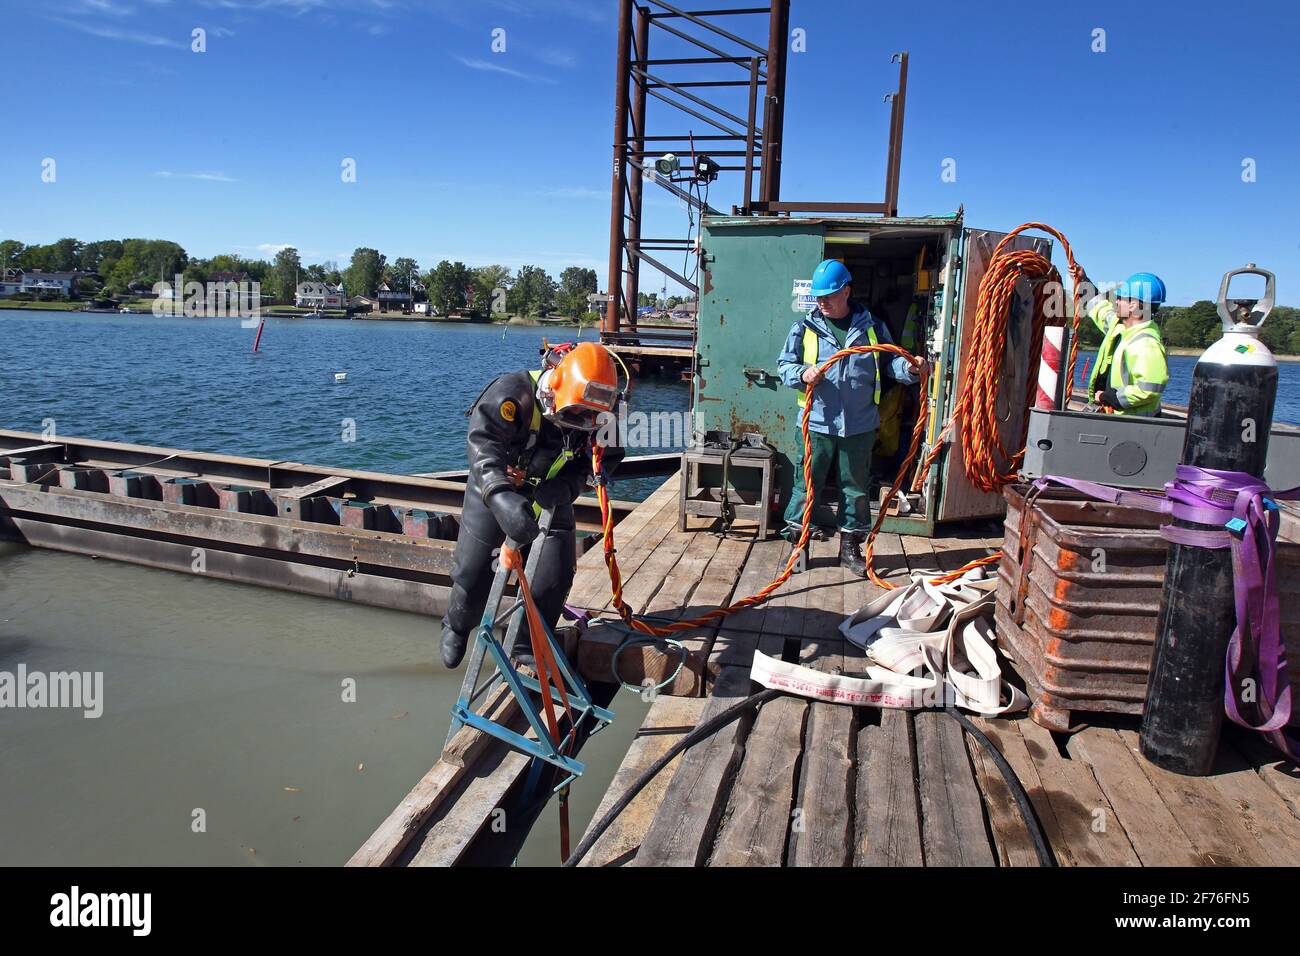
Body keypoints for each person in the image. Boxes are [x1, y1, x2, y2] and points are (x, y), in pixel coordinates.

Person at [439, 341, 623, 668]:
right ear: (554, 391)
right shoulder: (511, 395)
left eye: (590, 417)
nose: (581, 422)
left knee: (554, 577)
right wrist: (499, 495)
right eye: (574, 414)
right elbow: (484, 445)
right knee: (473, 571)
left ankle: (527, 642)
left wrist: (568, 486)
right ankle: (456, 624)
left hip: (552, 495)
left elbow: (605, 460)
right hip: (497, 488)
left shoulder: (603, 416)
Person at [777, 259, 922, 575]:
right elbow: (783, 366)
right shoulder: (803, 328)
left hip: (859, 426)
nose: (821, 301)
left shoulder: (873, 328)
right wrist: (804, 373)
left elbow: (890, 365)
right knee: (806, 486)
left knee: (855, 488)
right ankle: (799, 547)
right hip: (816, 424)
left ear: (846, 291)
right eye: (818, 296)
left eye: (828, 295)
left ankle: (849, 549)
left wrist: (910, 369)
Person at [1079, 270, 1169, 416]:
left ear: (1133, 305)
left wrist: (1110, 398)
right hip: (1117, 418)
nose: (1116, 301)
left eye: (1120, 298)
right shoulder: (1120, 327)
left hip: (1134, 424)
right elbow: (1100, 309)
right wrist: (1083, 280)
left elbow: (1149, 389)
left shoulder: (1146, 343)